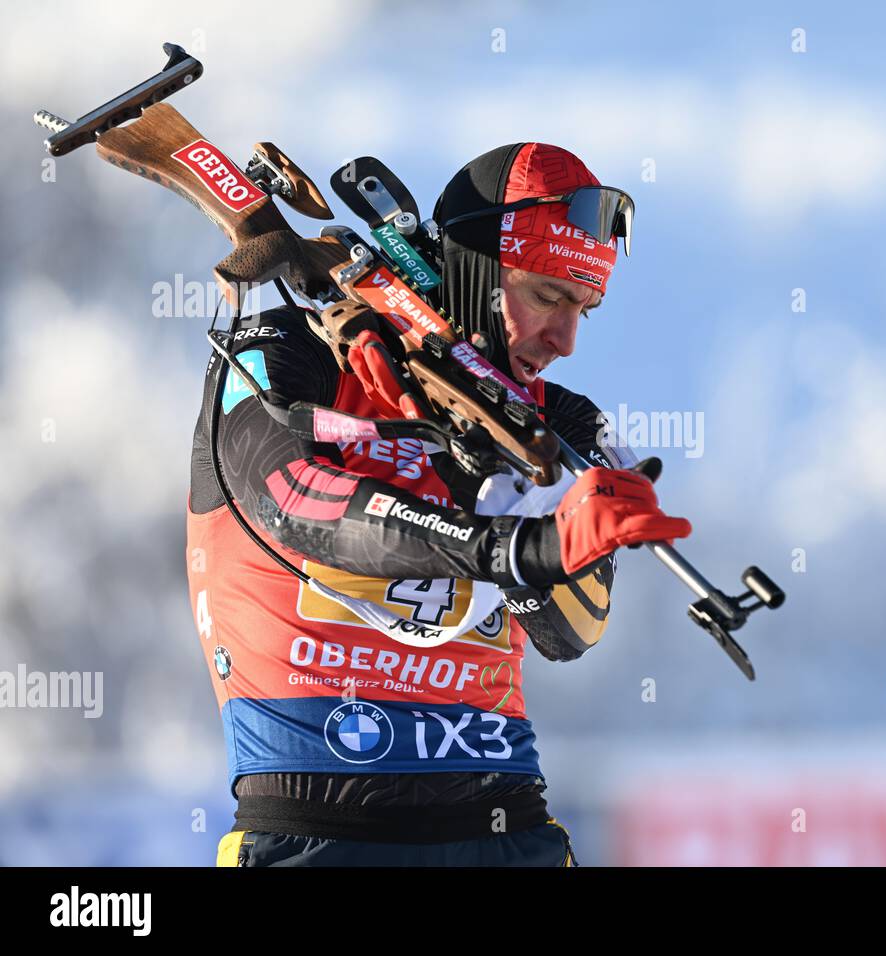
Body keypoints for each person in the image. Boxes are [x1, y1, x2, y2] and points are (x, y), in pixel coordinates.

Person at [187, 142, 690, 866]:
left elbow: (570, 630)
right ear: (474, 269)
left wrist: (489, 474)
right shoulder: (287, 347)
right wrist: (507, 542)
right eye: (548, 295)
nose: (567, 340)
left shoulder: (562, 424)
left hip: (507, 824)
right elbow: (290, 497)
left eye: (585, 307)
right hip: (315, 832)